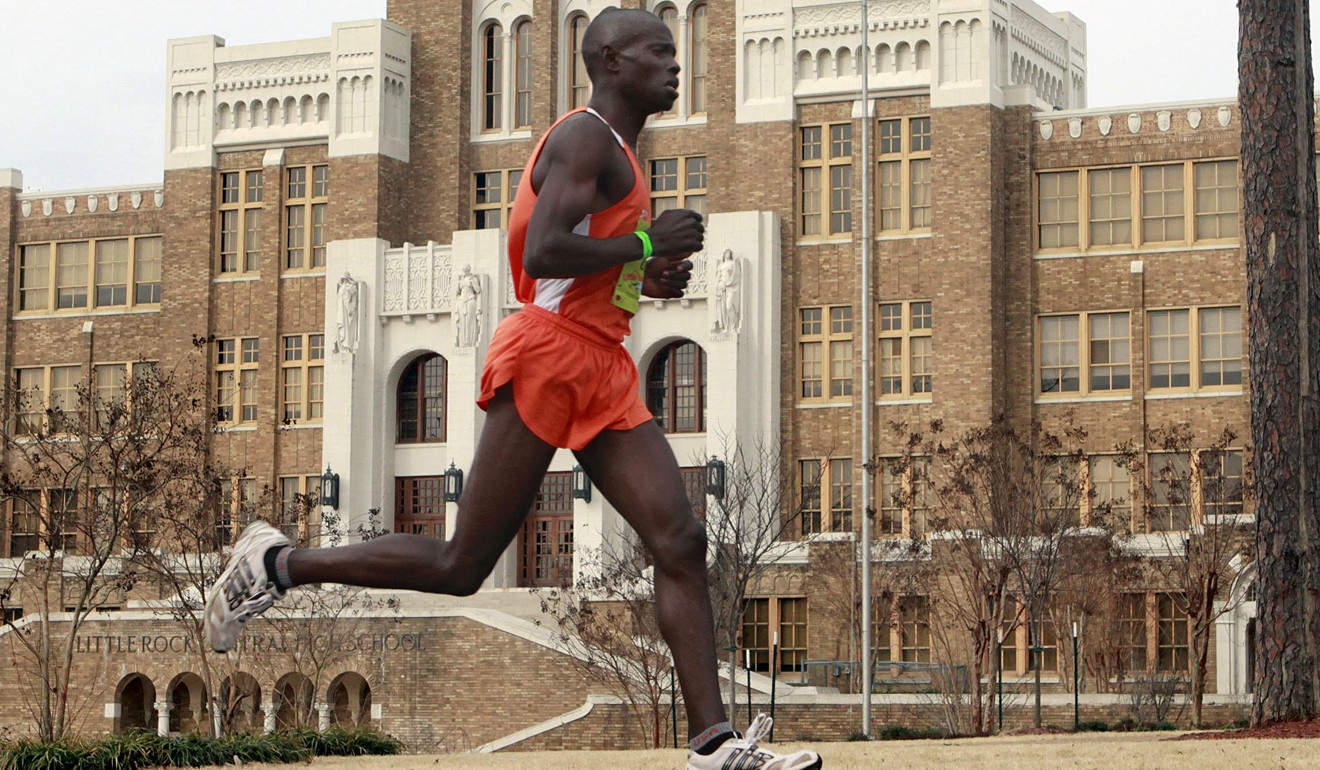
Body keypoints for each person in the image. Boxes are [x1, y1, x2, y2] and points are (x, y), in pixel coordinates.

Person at [204, 9, 822, 770]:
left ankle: (712, 746)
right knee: (464, 565)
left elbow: (578, 264)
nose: (675, 63)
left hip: (601, 364)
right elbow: (541, 250)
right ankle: (276, 565)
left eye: (673, 51)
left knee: (681, 540)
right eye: (657, 51)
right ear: (609, 59)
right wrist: (643, 243)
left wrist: (643, 277)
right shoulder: (586, 134)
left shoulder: (621, 148)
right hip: (548, 357)